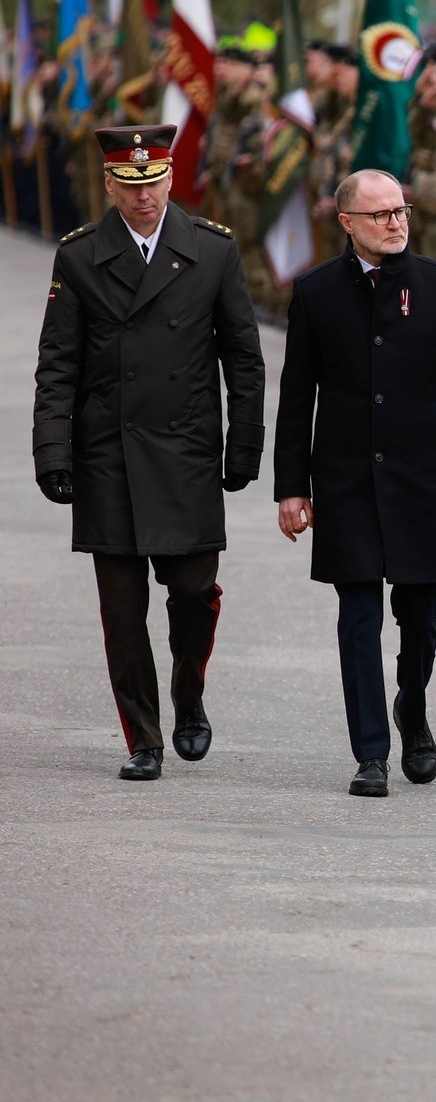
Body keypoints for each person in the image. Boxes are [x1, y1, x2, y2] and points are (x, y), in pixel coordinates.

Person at [33, 125, 266, 780]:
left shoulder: (212, 250)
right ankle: (143, 736)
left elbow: (244, 358)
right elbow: (58, 363)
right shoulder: (81, 256)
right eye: (131, 186)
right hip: (108, 451)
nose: (146, 198)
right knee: (120, 607)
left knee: (194, 592)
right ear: (110, 184)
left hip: (186, 449)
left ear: (171, 178)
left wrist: (244, 445)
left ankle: (187, 692)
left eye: (156, 182)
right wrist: (53, 450)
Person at [273, 169, 436, 798]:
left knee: (421, 618)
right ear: (347, 222)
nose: (395, 222)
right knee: (357, 616)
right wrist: (291, 487)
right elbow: (296, 398)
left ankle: (413, 707)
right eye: (379, 214)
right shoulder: (317, 291)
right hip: (345, 478)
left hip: (420, 479)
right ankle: (370, 752)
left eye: (401, 210)